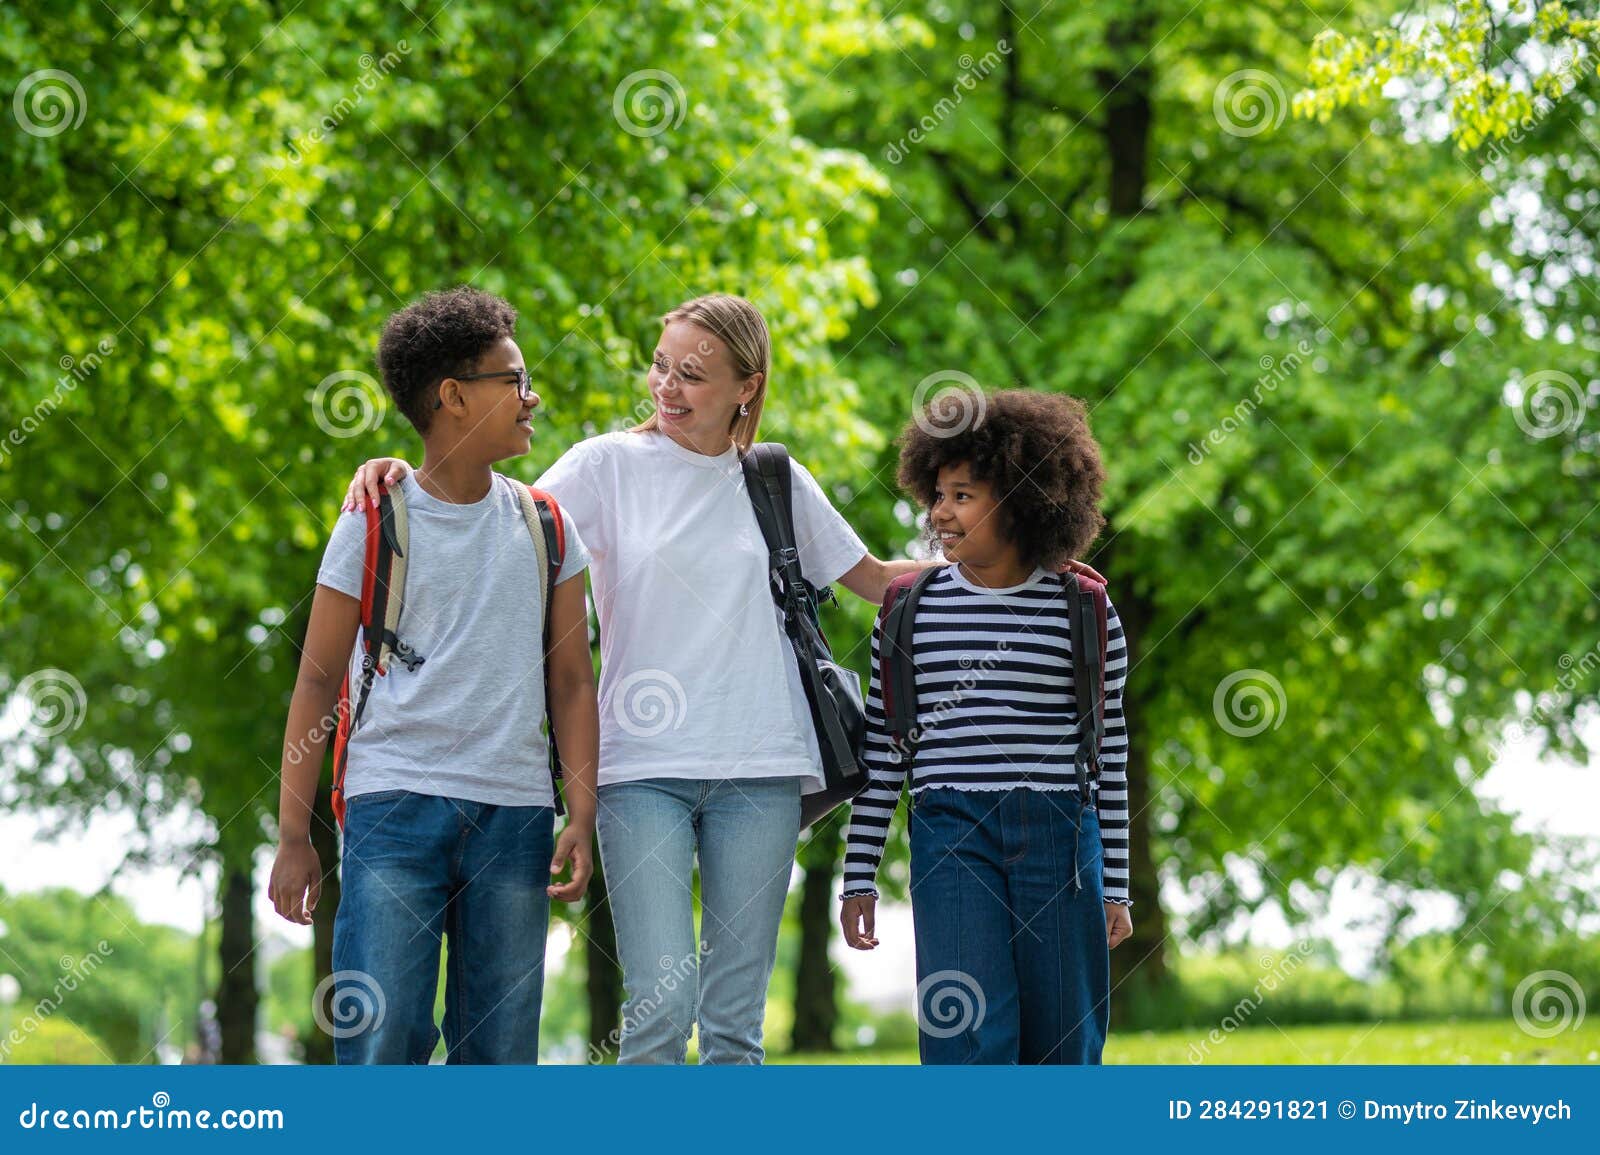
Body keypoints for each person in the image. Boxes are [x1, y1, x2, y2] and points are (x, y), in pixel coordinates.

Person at [341, 293, 928, 1064]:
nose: (668, 387)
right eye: (661, 366)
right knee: (659, 1006)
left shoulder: (775, 477)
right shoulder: (605, 466)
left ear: (746, 387)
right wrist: (397, 473)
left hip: (761, 764)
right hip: (639, 770)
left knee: (734, 1026)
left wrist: (1014, 566)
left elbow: (879, 578)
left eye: (693, 374)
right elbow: (494, 517)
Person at [269, 285, 599, 1064]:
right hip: (392, 808)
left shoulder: (547, 524)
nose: (532, 396)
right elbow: (316, 683)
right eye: (513, 380)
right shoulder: (373, 516)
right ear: (453, 396)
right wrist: (292, 834)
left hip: (514, 815)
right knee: (384, 1039)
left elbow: (573, 684)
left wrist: (581, 813)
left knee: (501, 1048)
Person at [839, 388, 1133, 1064]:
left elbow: (1109, 753)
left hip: (1062, 839)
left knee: (1064, 1044)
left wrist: (1115, 883)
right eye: (937, 494)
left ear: (1024, 501)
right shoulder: (909, 609)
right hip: (951, 833)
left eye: (963, 495)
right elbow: (886, 750)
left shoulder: (1084, 610)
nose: (941, 512)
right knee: (967, 1035)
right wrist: (859, 874)